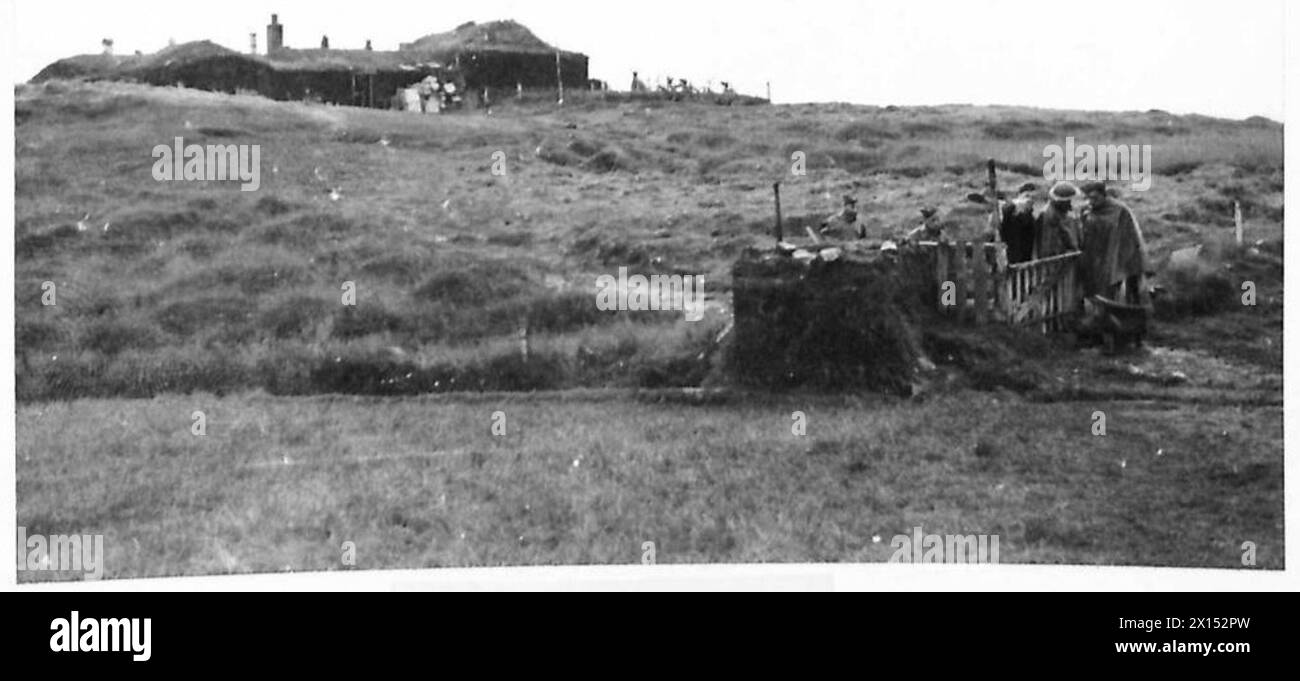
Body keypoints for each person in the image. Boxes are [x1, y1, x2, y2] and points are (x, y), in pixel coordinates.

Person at [1079, 181, 1148, 304]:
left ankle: (1136, 312)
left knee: (1130, 284)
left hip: (1123, 251)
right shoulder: (1088, 211)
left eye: (1095, 198)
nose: (1091, 201)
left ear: (1104, 195)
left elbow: (1127, 234)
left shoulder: (1119, 210)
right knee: (1098, 285)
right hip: (1099, 253)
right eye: (1089, 198)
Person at [1034, 181, 1081, 259]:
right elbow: (1048, 246)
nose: (1070, 204)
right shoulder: (1049, 216)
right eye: (1068, 201)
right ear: (1060, 201)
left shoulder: (1062, 213)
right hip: (1055, 261)